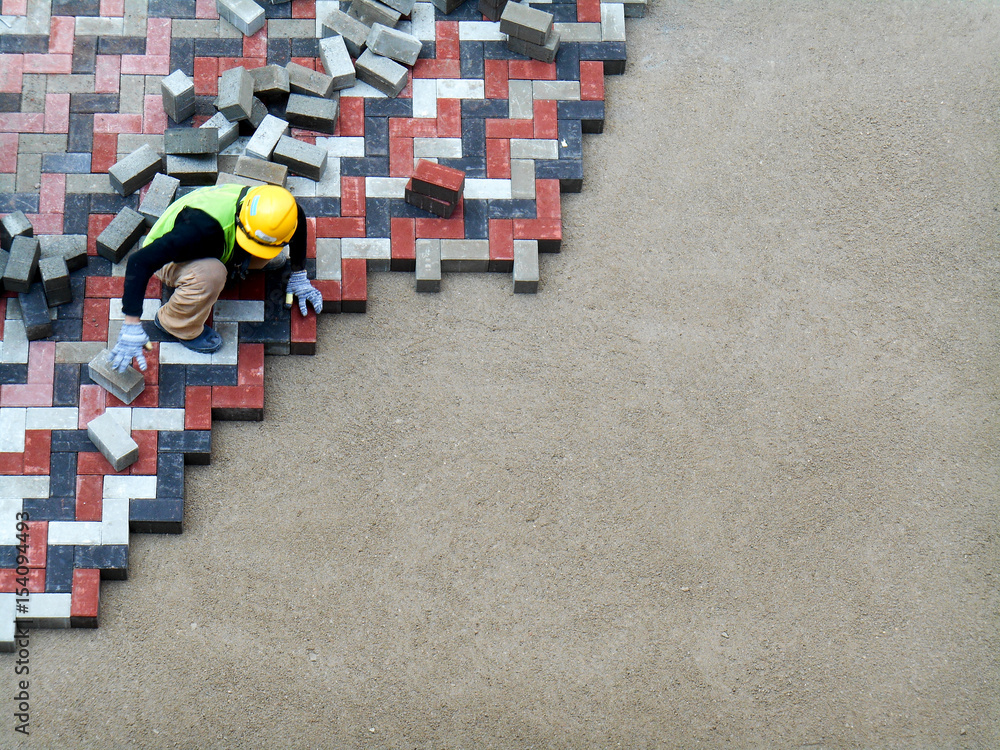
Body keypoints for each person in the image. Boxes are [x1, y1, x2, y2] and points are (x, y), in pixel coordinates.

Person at [109, 184, 323, 373]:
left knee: (267, 248)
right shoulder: (197, 232)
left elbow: (298, 219)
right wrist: (131, 323)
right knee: (212, 274)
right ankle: (176, 324)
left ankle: (242, 259)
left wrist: (299, 274)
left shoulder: (276, 210)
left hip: (222, 236)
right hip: (174, 255)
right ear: (240, 221)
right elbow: (139, 262)